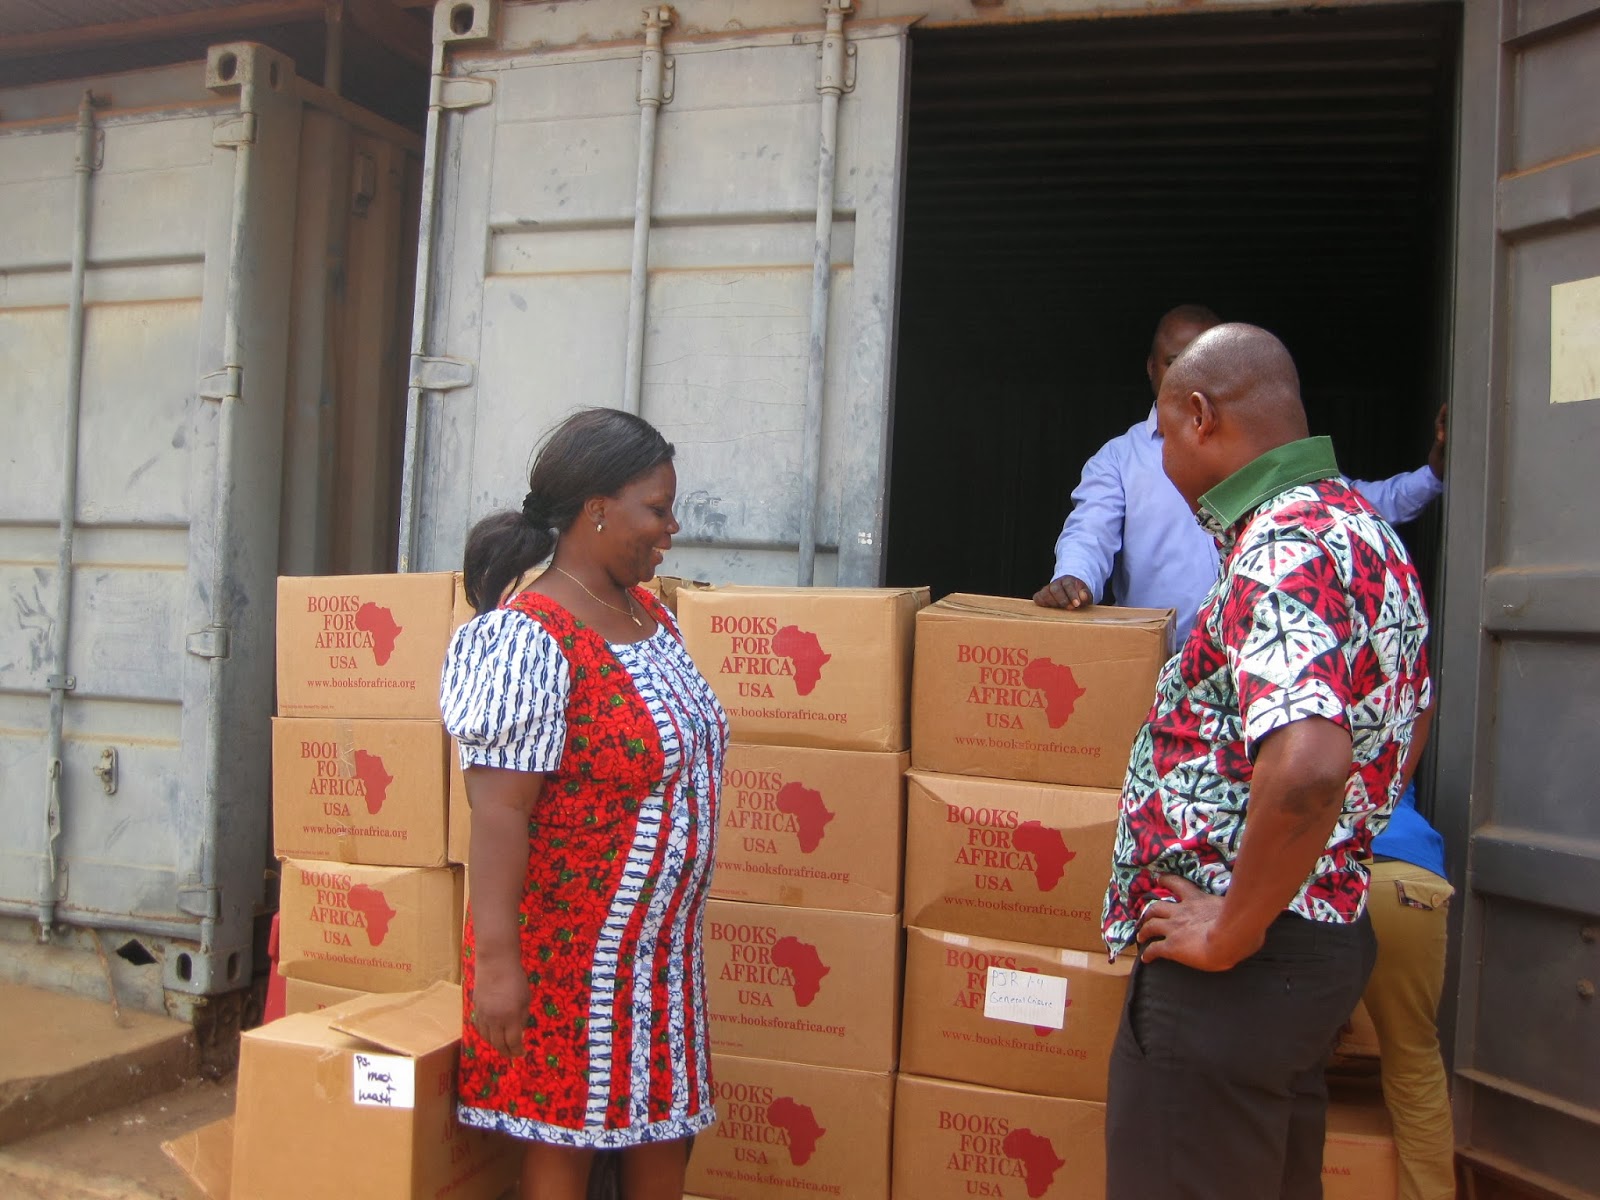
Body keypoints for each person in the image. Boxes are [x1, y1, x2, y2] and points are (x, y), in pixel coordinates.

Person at [1101, 324, 1434, 1200]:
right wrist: (1340, 845)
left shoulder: (1282, 551)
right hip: (1315, 946)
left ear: (1202, 416)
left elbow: (1312, 762)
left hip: (1237, 978)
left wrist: (1234, 926)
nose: (1162, 451)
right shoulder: (1368, 535)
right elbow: (1414, 712)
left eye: (1164, 431)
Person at [440, 409, 729, 1200]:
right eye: (656, 509)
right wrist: (497, 963)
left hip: (663, 960)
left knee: (664, 1132)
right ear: (597, 510)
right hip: (574, 962)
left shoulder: (650, 614)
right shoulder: (530, 637)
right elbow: (499, 813)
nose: (671, 528)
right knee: (566, 1143)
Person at [1034, 304, 1447, 643]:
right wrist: (1074, 578)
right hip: (1158, 660)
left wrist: (1431, 476)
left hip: (1246, 656)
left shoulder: (1275, 472)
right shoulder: (1120, 459)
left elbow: (1349, 505)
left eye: (1203, 361)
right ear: (1151, 368)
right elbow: (1089, 534)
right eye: (1176, 362)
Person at [1363, 782, 1456, 1200]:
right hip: (1411, 875)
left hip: (1332, 870)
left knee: (1288, 1057)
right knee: (1413, 1061)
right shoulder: (1396, 715)